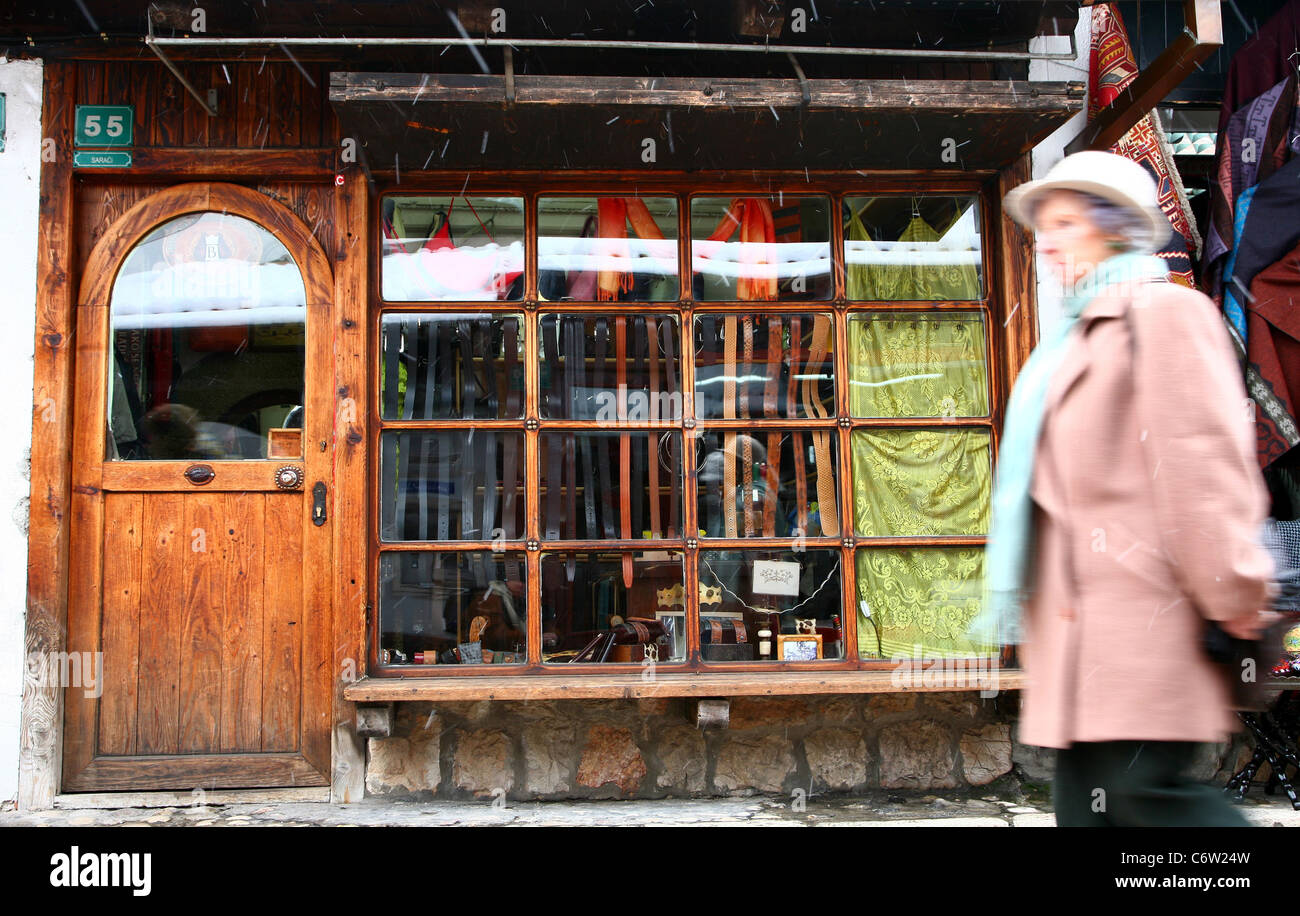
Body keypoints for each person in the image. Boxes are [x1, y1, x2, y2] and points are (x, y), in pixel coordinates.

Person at [976, 150, 1279, 826]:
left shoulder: (1165, 317)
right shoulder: (1071, 340)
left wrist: (1237, 596)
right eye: (1041, 228)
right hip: (1084, 646)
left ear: (1114, 228)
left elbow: (1203, 473)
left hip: (1145, 632)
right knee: (1090, 813)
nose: (1045, 243)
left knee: (1155, 808)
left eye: (1064, 223)